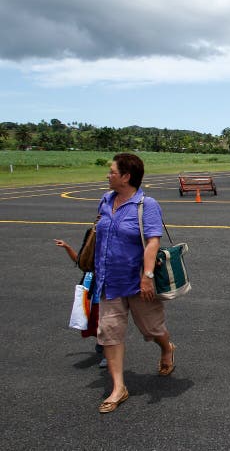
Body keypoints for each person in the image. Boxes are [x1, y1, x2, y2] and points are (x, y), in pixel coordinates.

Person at [93, 153, 175, 414]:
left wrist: (147, 276)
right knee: (109, 332)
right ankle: (119, 387)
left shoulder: (146, 205)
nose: (108, 175)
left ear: (126, 177)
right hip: (109, 281)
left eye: (112, 171)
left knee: (152, 329)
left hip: (138, 281)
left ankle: (166, 347)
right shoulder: (106, 200)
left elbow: (153, 240)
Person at [54, 238, 106, 368]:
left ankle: (107, 353)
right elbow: (79, 261)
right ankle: (102, 343)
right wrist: (67, 247)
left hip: (105, 291)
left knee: (104, 322)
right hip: (92, 291)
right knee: (93, 321)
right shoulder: (90, 257)